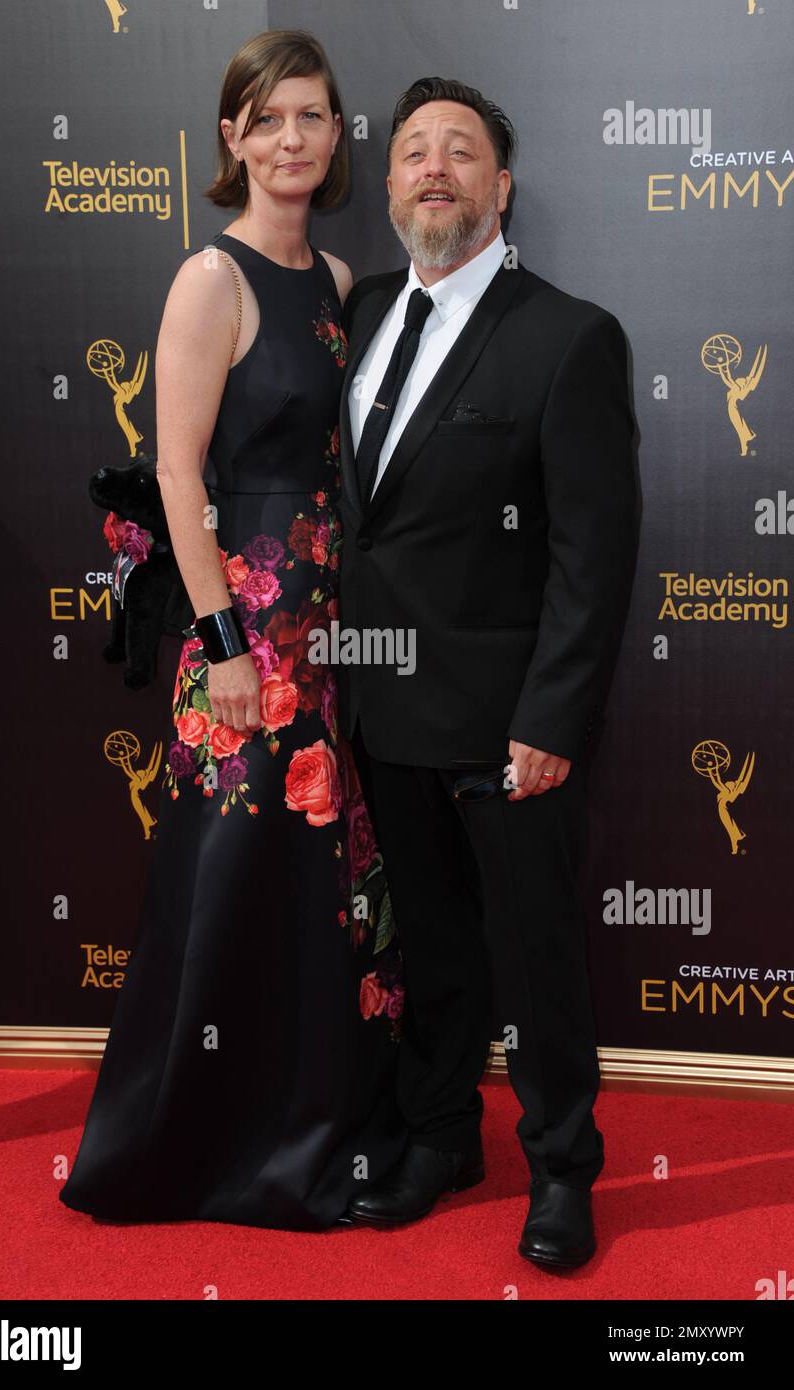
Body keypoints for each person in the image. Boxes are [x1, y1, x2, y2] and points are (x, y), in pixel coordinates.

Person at [59, 30, 407, 1231]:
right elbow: (175, 472)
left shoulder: (342, 283)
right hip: (241, 625)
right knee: (224, 874)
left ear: (335, 136)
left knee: (312, 885)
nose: (293, 140)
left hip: (323, 627)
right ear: (233, 138)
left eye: (313, 117)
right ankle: (179, 1150)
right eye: (269, 120)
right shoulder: (212, 280)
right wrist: (220, 650)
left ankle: (301, 1135)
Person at [336, 77, 641, 1269]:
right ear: (395, 180)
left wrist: (552, 716)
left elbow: (592, 554)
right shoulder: (358, 314)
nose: (434, 167)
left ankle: (564, 1166)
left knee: (539, 955)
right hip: (385, 712)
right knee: (435, 952)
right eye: (414, 150)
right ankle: (442, 1137)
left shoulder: (569, 336)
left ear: (500, 189)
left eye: (462, 151)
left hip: (510, 727)